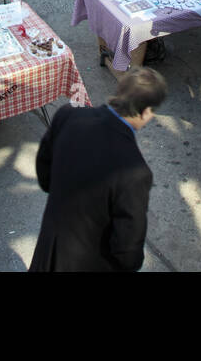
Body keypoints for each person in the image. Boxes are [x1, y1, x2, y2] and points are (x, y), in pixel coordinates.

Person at [29, 67, 167, 271]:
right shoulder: (135, 171)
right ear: (146, 111)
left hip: (49, 252)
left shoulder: (68, 115)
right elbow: (128, 247)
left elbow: (44, 172)